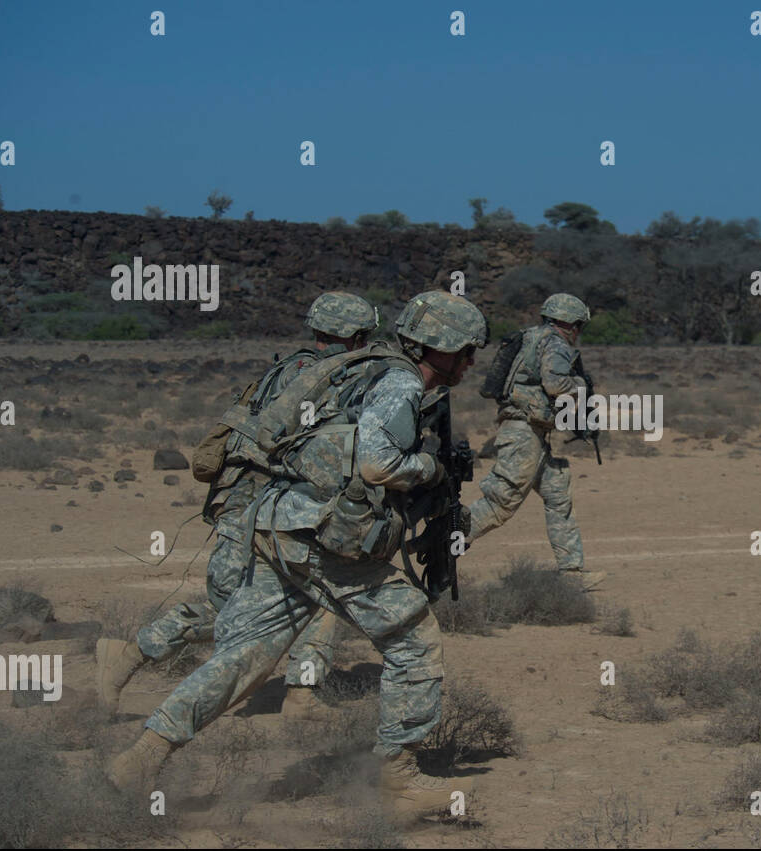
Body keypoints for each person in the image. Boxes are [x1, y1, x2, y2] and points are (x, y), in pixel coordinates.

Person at [107, 291, 487, 819]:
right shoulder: (399, 381)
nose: (471, 362)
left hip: (278, 524)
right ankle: (398, 782)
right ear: (439, 348)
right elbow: (378, 464)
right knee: (413, 635)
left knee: (247, 657)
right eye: (466, 350)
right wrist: (431, 468)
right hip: (323, 539)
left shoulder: (357, 367)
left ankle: (141, 758)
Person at [95, 292, 382, 719]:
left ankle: (301, 696)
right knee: (231, 608)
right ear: (358, 336)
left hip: (266, 508)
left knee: (316, 594)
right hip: (260, 510)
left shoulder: (288, 371)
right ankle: (129, 654)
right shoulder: (326, 380)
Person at [467, 293, 605, 589]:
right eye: (579, 326)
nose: (579, 333)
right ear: (570, 324)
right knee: (500, 503)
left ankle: (571, 574)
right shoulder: (555, 344)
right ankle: (444, 542)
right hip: (523, 434)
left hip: (531, 433)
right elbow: (556, 385)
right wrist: (581, 385)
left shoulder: (531, 337)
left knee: (558, 496)